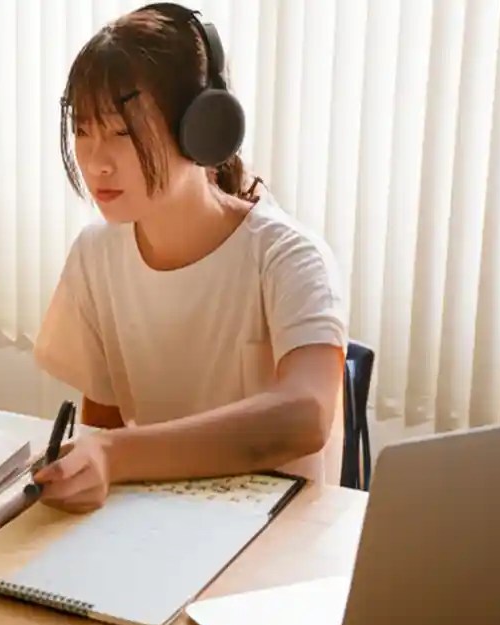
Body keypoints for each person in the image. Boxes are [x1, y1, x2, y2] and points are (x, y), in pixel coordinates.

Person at [31, 3, 348, 513]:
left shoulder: (288, 257)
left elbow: (307, 415)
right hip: (155, 523)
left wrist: (116, 454)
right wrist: (85, 469)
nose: (96, 161)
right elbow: (102, 426)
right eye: (85, 131)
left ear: (202, 128)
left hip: (274, 535)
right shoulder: (96, 254)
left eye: (122, 133)